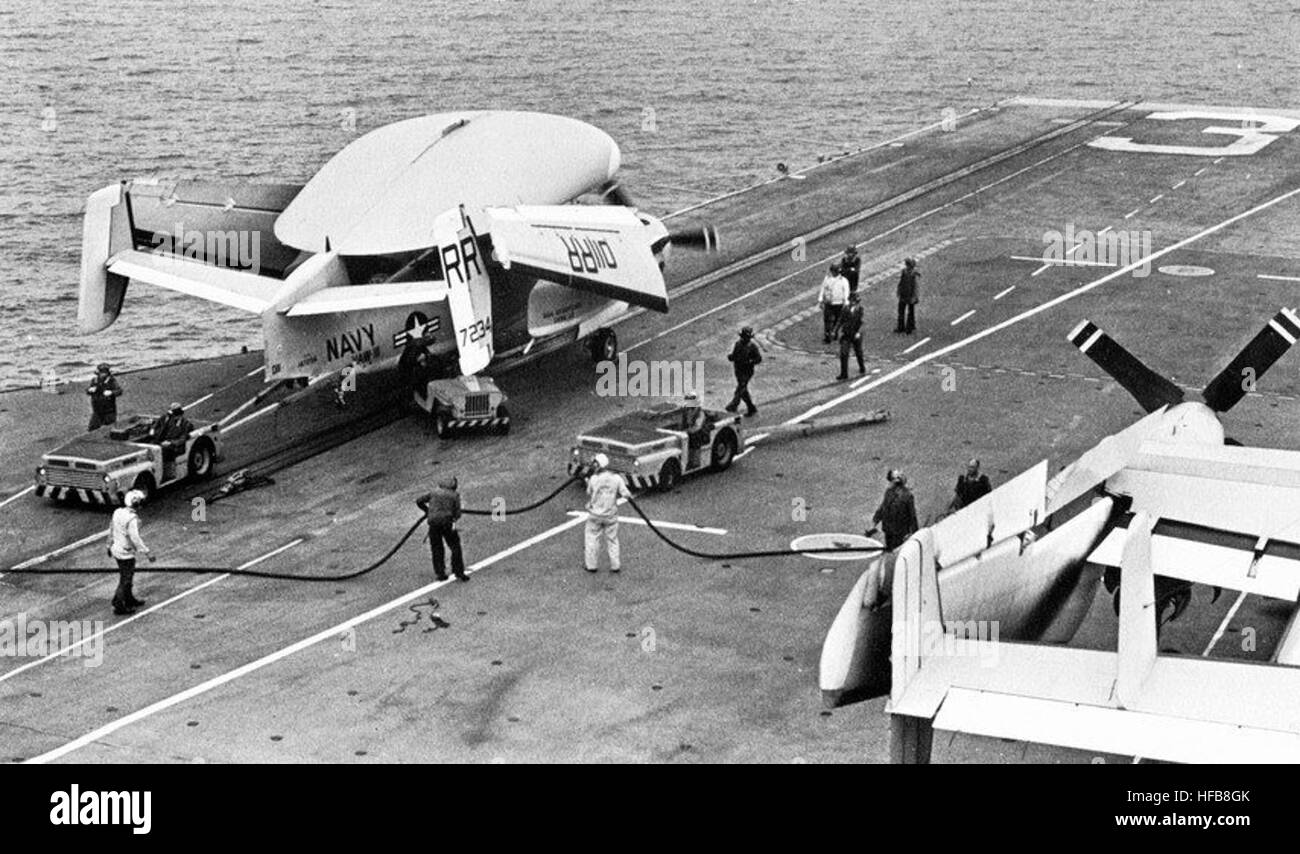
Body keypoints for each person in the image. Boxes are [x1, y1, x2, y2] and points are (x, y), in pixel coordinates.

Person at [109, 489, 154, 615]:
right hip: (125, 553)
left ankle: (129, 599)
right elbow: (135, 538)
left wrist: (108, 545)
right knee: (126, 579)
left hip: (116, 549)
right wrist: (147, 552)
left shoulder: (117, 512)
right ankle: (118, 604)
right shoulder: (132, 519)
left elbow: (111, 528)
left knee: (127, 576)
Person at [584, 453, 631, 573]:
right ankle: (615, 565)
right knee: (613, 540)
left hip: (595, 514)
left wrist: (588, 481)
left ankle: (591, 565)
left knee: (591, 539)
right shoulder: (616, 478)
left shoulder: (594, 479)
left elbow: (589, 492)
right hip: (611, 514)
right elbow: (626, 494)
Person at [416, 477, 468, 582]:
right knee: (455, 547)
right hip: (447, 524)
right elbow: (457, 513)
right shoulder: (454, 495)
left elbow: (419, 501)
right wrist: (453, 517)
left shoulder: (434, 492)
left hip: (434, 524)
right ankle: (459, 571)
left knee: (436, 548)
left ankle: (440, 573)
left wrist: (428, 511)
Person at [868, 469, 919, 551]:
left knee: (896, 550)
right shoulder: (891, 492)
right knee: (892, 550)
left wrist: (915, 533)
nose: (890, 483)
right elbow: (882, 508)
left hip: (899, 532)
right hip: (890, 530)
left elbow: (912, 516)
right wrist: (874, 523)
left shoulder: (906, 495)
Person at [724, 326, 762, 417]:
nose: (745, 338)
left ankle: (734, 404)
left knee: (741, 388)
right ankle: (751, 407)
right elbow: (734, 355)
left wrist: (750, 361)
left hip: (747, 371)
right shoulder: (738, 344)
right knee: (743, 389)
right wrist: (731, 357)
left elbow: (758, 359)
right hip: (738, 370)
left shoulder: (752, 347)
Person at [149, 403, 194, 470]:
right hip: (165, 442)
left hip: (175, 447)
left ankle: (159, 469)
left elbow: (182, 439)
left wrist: (171, 443)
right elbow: (158, 423)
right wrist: (153, 429)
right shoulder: (169, 419)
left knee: (161, 452)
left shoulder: (186, 424)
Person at [834, 292, 866, 380]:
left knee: (858, 352)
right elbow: (840, 320)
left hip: (855, 334)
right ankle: (844, 373)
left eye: (854, 301)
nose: (853, 302)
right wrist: (835, 330)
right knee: (844, 353)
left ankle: (862, 367)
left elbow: (862, 322)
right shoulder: (845, 309)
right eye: (851, 301)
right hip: (846, 333)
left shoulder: (860, 309)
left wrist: (858, 332)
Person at [818, 263, 849, 343]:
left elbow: (846, 292)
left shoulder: (843, 281)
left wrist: (846, 302)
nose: (835, 273)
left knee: (837, 320)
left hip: (838, 303)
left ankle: (834, 333)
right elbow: (823, 289)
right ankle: (827, 336)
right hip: (828, 303)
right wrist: (820, 300)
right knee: (827, 320)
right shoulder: (827, 279)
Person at [86, 363, 122, 431]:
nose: (103, 374)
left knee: (110, 429)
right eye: (102, 372)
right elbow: (87, 391)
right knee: (92, 429)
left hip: (109, 410)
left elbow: (119, 391)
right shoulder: (94, 380)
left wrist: (111, 392)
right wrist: (90, 390)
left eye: (105, 372)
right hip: (97, 410)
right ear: (98, 373)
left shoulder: (112, 381)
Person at [680, 392, 710, 468]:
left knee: (694, 439)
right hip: (689, 430)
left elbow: (697, 427)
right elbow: (683, 422)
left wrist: (687, 431)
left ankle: (695, 462)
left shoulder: (700, 413)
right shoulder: (686, 410)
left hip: (699, 433)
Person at [896, 257, 920, 334]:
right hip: (904, 294)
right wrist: (899, 291)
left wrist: (914, 297)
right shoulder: (904, 272)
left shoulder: (913, 274)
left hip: (909, 295)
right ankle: (902, 327)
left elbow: (915, 286)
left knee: (910, 312)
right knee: (902, 311)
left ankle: (909, 327)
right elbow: (901, 282)